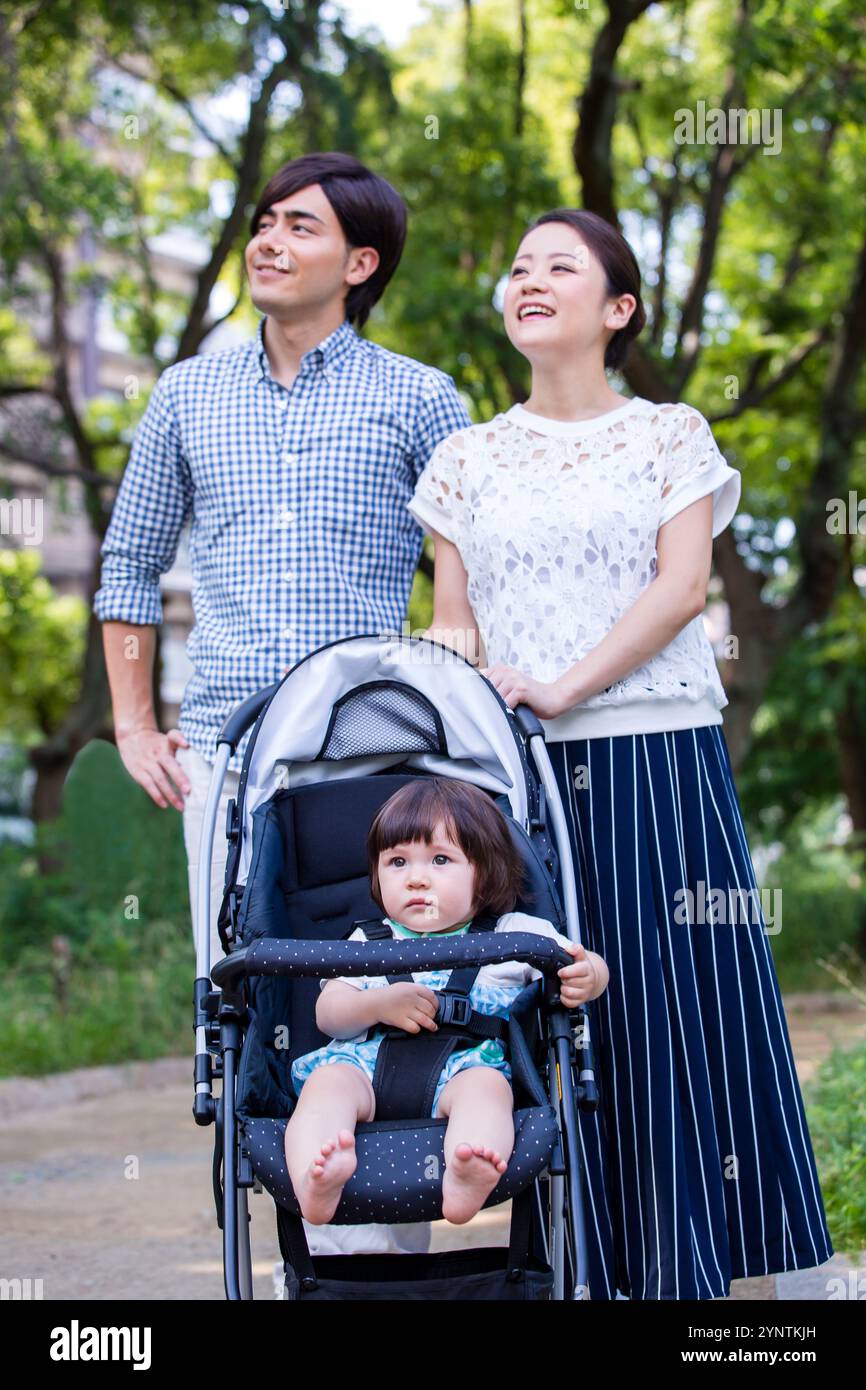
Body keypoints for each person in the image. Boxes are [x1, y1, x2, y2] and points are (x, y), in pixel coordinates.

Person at [406, 207, 835, 1299]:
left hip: (656, 757)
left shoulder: (668, 434)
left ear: (617, 308)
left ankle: (712, 1274)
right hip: (525, 781)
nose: (528, 280)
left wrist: (563, 683)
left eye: (560, 266)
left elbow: (680, 589)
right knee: (559, 1007)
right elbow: (454, 618)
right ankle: (584, 1269)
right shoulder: (464, 460)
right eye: (516, 267)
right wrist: (460, 706)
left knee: (676, 1007)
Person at [93, 151, 472, 1263]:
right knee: (248, 995)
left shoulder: (417, 393)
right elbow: (127, 565)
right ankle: (294, 1242)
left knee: (389, 981)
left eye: (298, 227)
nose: (267, 240)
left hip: (375, 754)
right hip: (222, 750)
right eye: (263, 222)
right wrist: (129, 724)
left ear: (357, 263)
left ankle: (385, 1240)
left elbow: (461, 564)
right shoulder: (186, 391)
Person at [285, 777, 608, 1225]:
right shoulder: (369, 939)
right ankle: (315, 1181)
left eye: (440, 859)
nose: (416, 877)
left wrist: (588, 976)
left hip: (464, 1068)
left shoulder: (512, 933)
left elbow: (579, 959)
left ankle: (466, 1172)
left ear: (485, 871)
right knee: (325, 1088)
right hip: (364, 1068)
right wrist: (376, 1006)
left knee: (489, 1091)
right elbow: (328, 1014)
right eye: (397, 861)